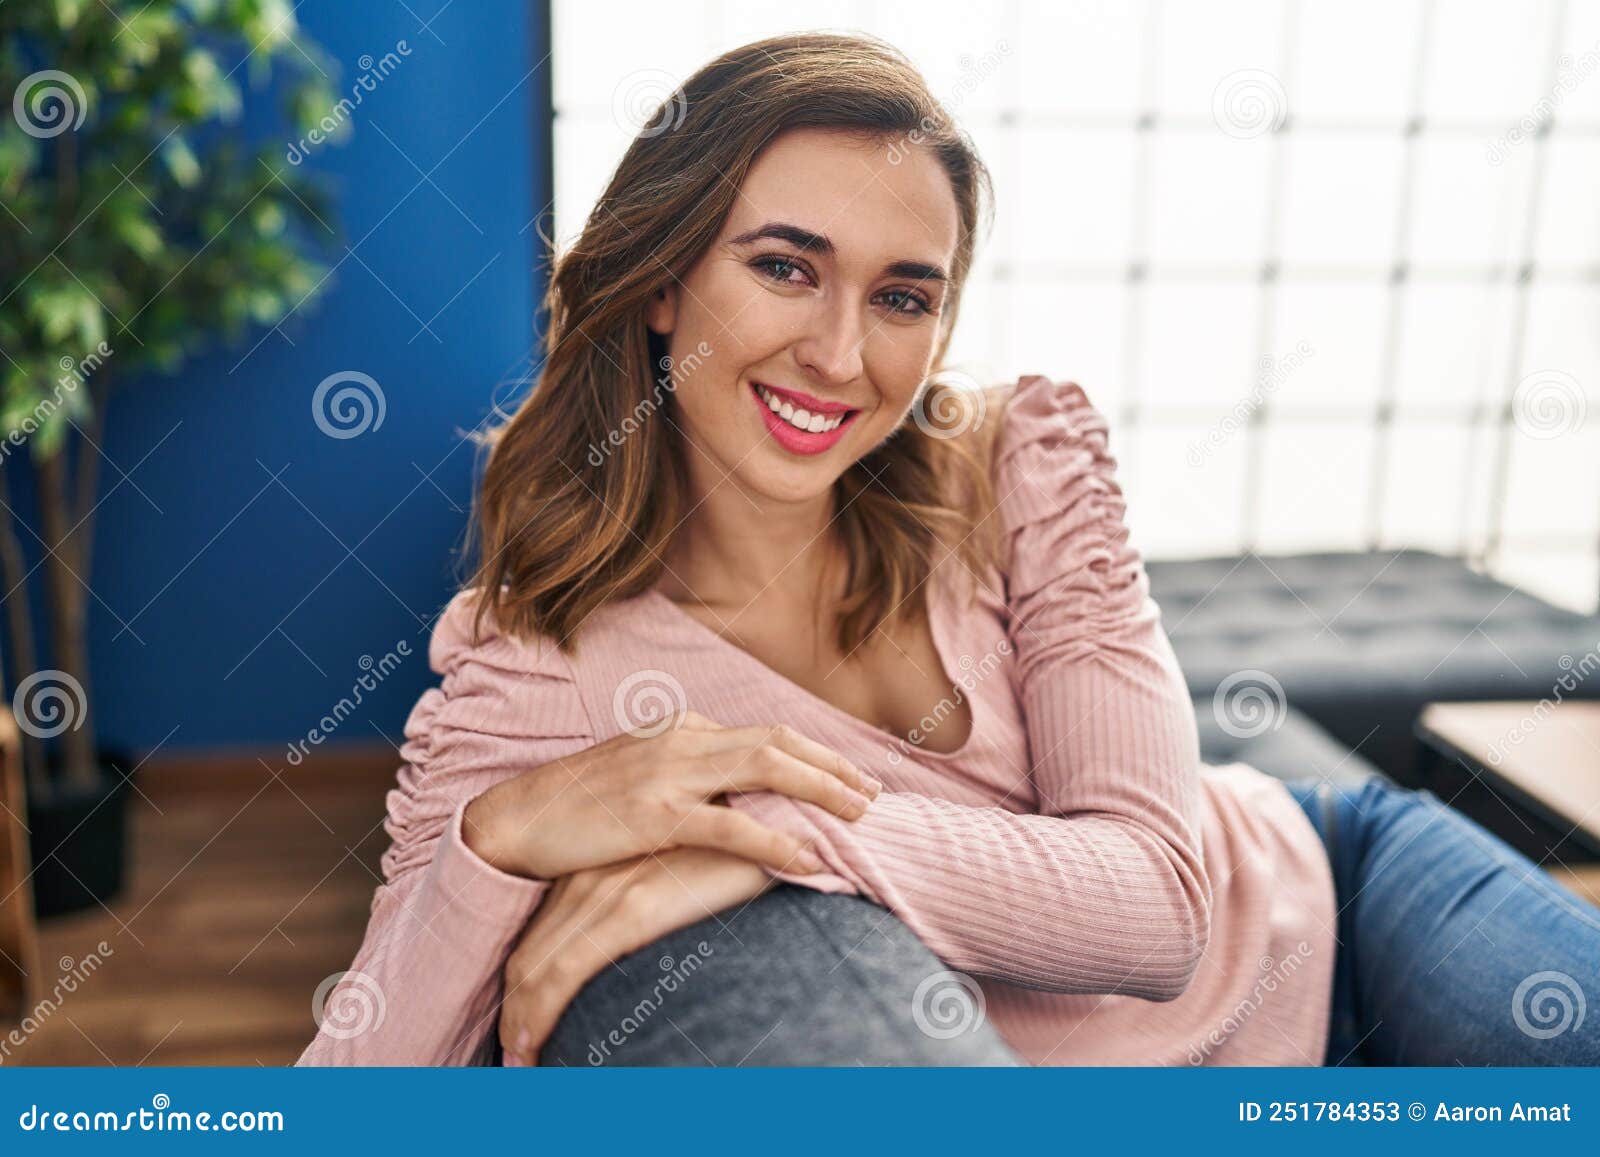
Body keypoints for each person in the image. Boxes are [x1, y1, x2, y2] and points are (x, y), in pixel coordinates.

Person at [297, 32, 1600, 1069]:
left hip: (1333, 894)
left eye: (903, 297)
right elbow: (358, 1075)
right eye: (786, 267)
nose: (841, 353)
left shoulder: (1018, 464)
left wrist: (764, 827)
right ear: (660, 281)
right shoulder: (539, 668)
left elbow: (1159, 905)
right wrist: (500, 835)